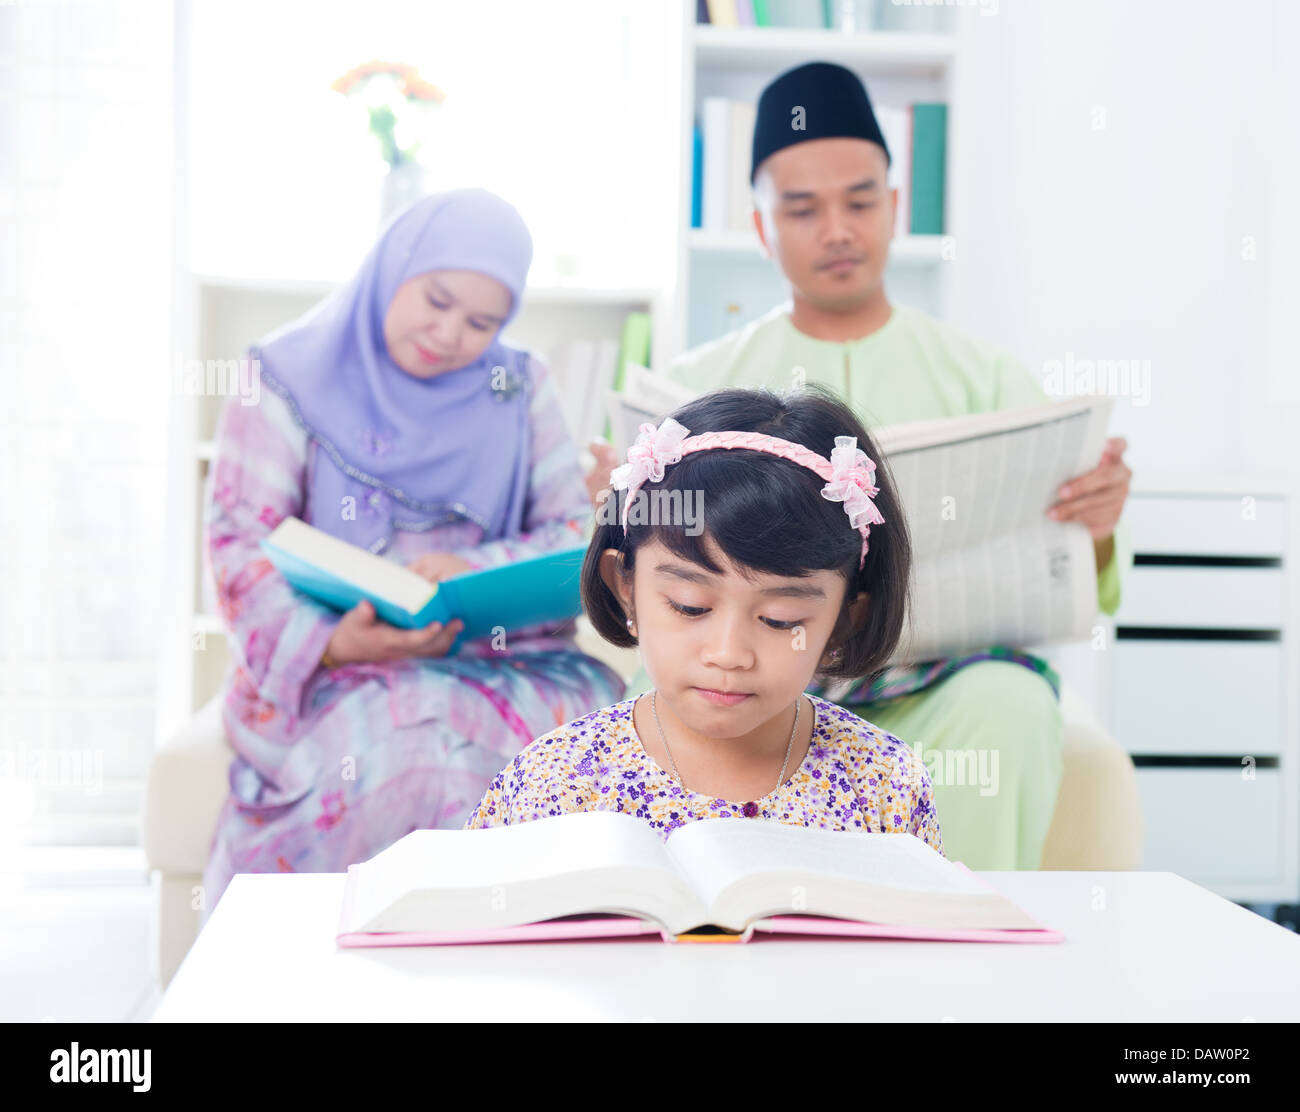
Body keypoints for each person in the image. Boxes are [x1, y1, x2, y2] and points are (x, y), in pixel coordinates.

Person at [589, 62, 1133, 870]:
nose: (837, 230)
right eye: (803, 209)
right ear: (763, 228)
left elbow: (1083, 580)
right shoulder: (699, 382)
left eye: (860, 201)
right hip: (763, 676)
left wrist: (1097, 523)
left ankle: (946, 936)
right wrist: (617, 511)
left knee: (1009, 702)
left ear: (895, 208)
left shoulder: (987, 379)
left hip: (934, 684)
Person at [200, 188, 624, 921]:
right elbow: (240, 541)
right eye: (437, 300)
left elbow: (568, 530)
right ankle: (368, 953)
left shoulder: (518, 385)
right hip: (336, 668)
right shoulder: (282, 375)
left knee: (598, 731)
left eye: (482, 322)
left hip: (508, 658)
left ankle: (520, 959)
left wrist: (471, 570)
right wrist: (336, 640)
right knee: (411, 742)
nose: (450, 333)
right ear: (394, 267)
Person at [465, 384, 942, 856]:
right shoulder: (555, 782)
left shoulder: (882, 783)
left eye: (780, 619)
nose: (728, 654)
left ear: (843, 620)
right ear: (626, 589)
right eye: (690, 606)